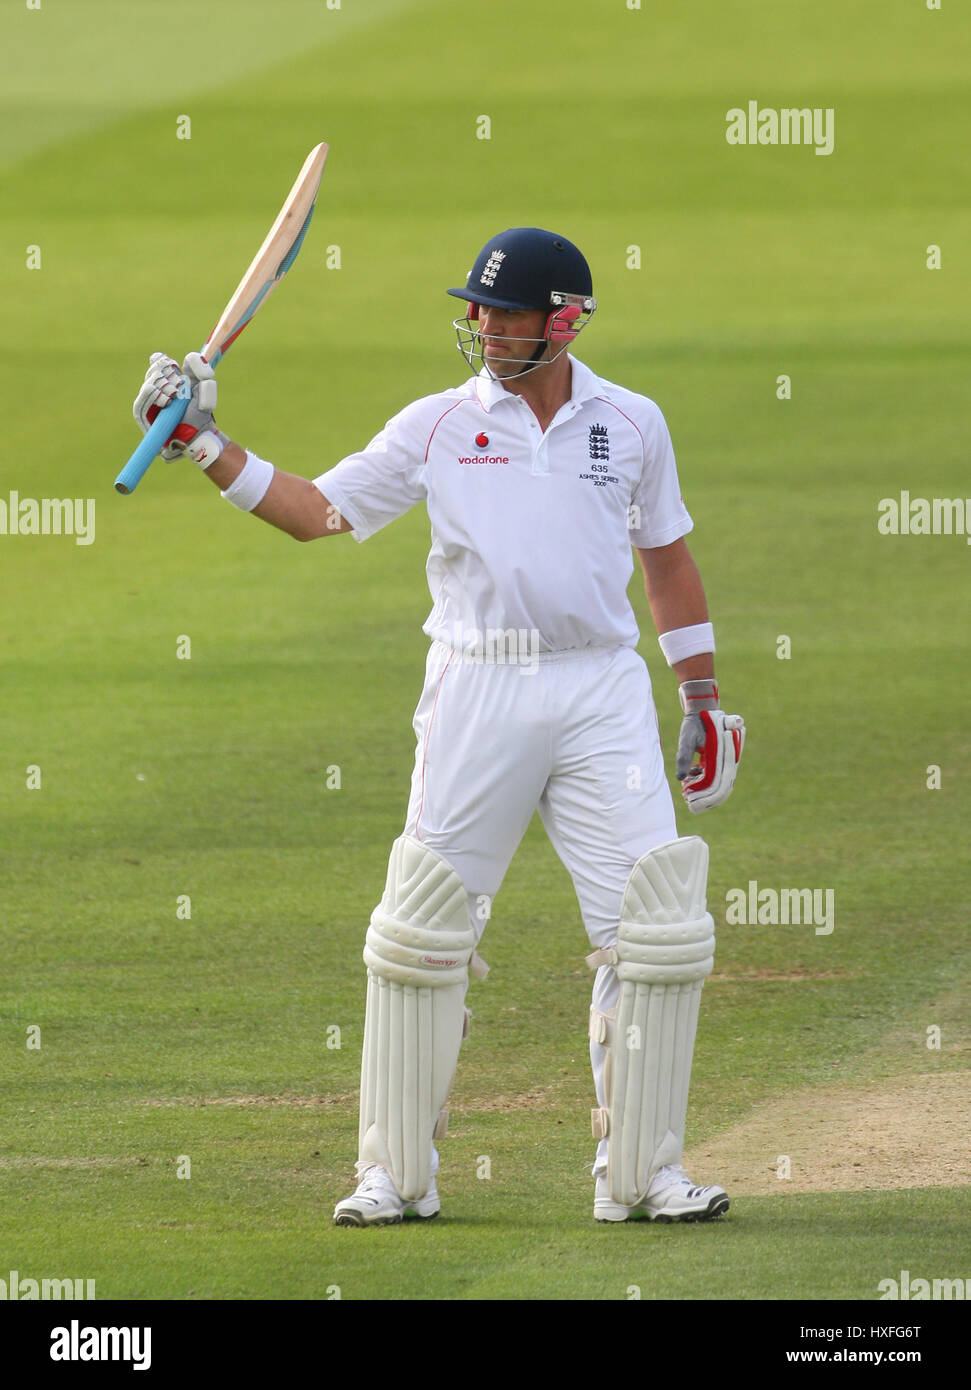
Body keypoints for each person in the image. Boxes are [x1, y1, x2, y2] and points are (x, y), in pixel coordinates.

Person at [132, 226, 745, 1226]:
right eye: (474, 308)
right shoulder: (435, 426)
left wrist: (701, 693)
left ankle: (641, 1175)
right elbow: (313, 511)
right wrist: (202, 441)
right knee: (421, 931)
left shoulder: (630, 423)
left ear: (565, 319)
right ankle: (395, 1177)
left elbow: (665, 555)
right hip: (477, 685)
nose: (478, 326)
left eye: (499, 313)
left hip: (599, 688)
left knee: (656, 927)